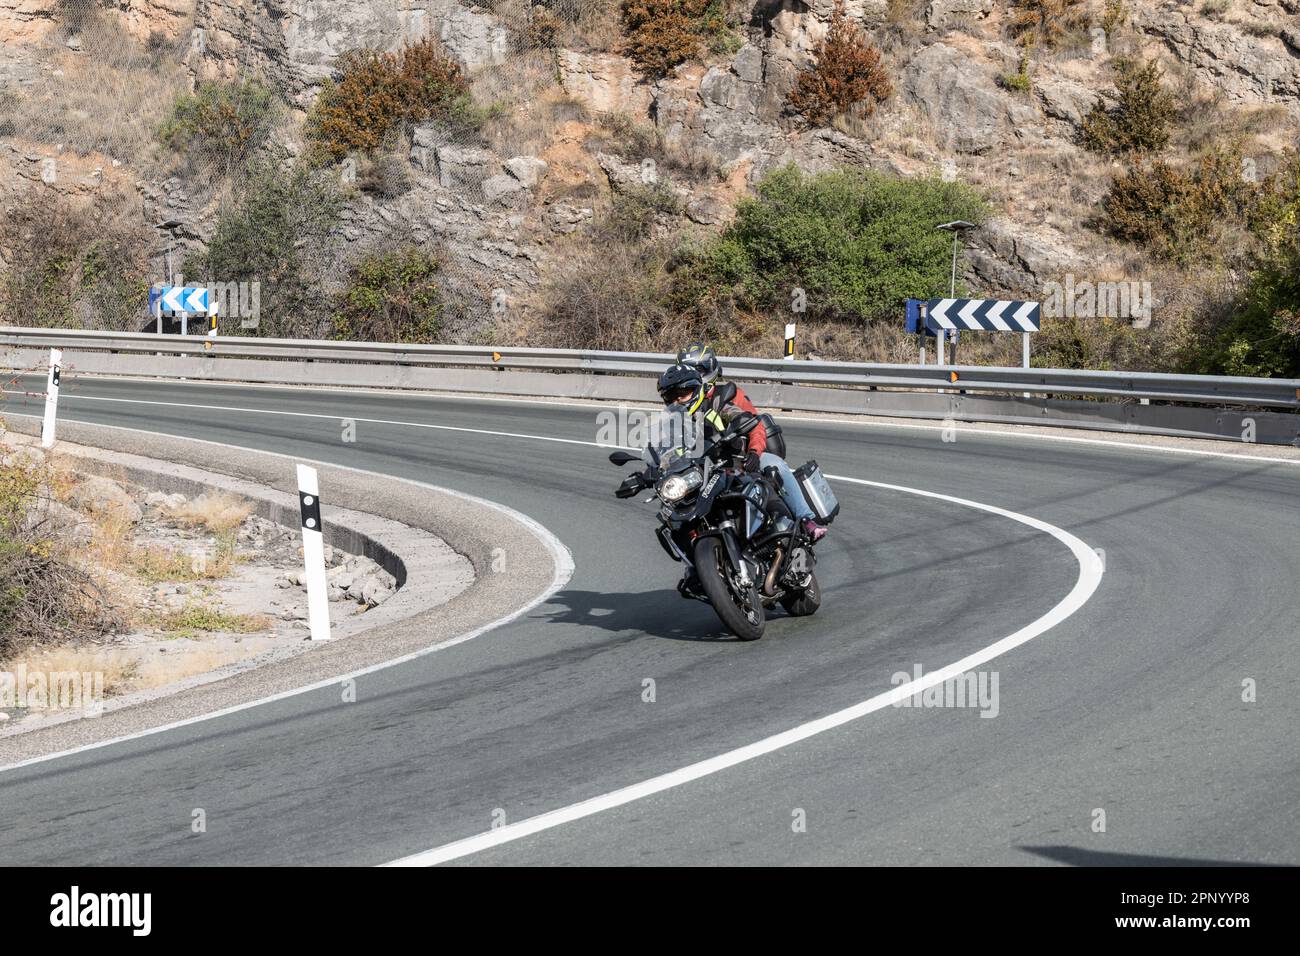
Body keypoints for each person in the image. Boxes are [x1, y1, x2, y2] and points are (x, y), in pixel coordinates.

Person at [675, 341, 826, 543]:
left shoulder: (727, 395)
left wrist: (754, 453)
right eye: (688, 371)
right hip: (706, 466)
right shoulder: (680, 405)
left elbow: (755, 426)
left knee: (776, 465)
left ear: (709, 369)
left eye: (697, 370)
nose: (693, 376)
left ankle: (806, 519)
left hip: (741, 458)